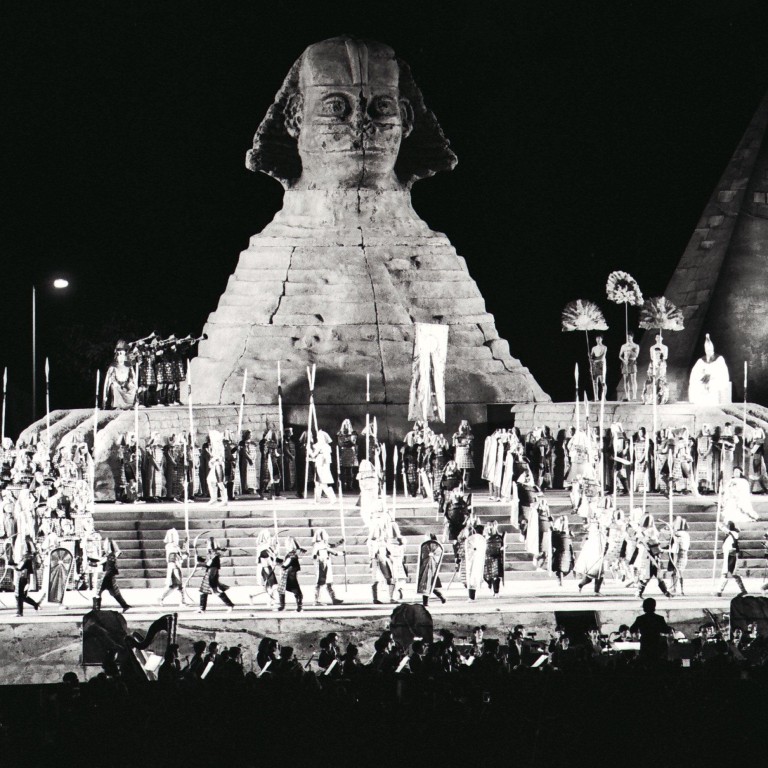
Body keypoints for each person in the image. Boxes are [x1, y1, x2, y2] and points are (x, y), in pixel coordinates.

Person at [635, 514, 672, 599]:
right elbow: (652, 543)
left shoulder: (645, 531)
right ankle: (638, 593)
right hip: (649, 556)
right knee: (646, 576)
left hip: (653, 556)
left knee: (658, 576)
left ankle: (666, 592)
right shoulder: (648, 531)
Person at [688, 333, 731, 405]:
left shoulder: (719, 359)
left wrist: (711, 376)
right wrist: (702, 377)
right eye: (707, 352)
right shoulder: (700, 361)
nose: (709, 353)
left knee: (714, 385)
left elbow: (723, 373)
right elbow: (694, 374)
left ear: (713, 350)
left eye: (710, 351)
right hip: (703, 382)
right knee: (696, 385)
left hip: (715, 381)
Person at [197, 538, 235, 612]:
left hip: (211, 575)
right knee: (203, 591)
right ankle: (202, 609)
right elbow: (207, 562)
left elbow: (209, 564)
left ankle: (230, 605)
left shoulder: (215, 555)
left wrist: (200, 563)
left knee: (216, 591)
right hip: (209, 574)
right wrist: (199, 559)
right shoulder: (211, 554)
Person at [630, 597, 671, 663]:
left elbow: (632, 629)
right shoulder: (659, 618)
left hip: (645, 644)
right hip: (656, 644)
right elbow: (665, 630)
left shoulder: (640, 619)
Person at [96, 538, 130, 612]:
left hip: (107, 576)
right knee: (113, 592)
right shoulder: (111, 555)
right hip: (109, 576)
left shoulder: (110, 555)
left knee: (98, 593)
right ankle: (124, 605)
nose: (103, 546)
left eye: (104, 545)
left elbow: (99, 563)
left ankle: (96, 610)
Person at [311, 529, 343, 605]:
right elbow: (332, 551)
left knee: (329, 582)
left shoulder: (322, 545)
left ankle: (333, 598)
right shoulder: (319, 546)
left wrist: (340, 542)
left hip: (325, 565)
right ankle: (317, 600)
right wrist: (341, 553)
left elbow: (332, 546)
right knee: (320, 583)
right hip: (322, 565)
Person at [103, 340, 138, 410]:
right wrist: (115, 382)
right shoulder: (113, 365)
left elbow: (132, 376)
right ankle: (117, 406)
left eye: (122, 352)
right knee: (114, 387)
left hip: (126, 383)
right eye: (119, 353)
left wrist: (131, 382)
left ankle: (129, 405)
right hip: (117, 384)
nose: (120, 354)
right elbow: (110, 377)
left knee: (133, 387)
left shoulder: (128, 365)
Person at [716, 521, 747, 597]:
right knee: (733, 574)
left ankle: (719, 591)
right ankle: (743, 590)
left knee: (725, 573)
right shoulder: (730, 535)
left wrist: (719, 524)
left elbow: (724, 529)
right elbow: (727, 546)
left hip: (731, 555)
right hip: (729, 554)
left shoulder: (733, 533)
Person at [159, 527, 188, 606]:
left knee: (174, 585)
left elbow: (180, 552)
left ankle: (161, 598)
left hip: (175, 566)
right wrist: (184, 556)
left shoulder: (174, 546)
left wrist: (185, 544)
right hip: (174, 566)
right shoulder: (171, 546)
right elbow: (173, 558)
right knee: (179, 584)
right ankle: (182, 601)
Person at [251, 529, 279, 608]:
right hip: (265, 568)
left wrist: (276, 549)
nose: (270, 538)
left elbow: (273, 555)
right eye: (268, 536)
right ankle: (272, 601)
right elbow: (268, 559)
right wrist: (274, 558)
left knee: (268, 587)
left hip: (267, 568)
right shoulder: (263, 548)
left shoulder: (266, 547)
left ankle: (269, 602)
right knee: (273, 586)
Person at [417, 533, 445, 606]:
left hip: (430, 567)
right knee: (429, 585)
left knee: (426, 584)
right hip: (427, 566)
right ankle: (441, 597)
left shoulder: (430, 546)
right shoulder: (429, 546)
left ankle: (426, 603)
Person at [277, 537, 305, 611]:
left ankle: (298, 607)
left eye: (286, 543)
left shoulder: (292, 554)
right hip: (289, 574)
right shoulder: (291, 554)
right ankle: (284, 606)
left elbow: (285, 564)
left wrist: (279, 563)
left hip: (290, 575)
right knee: (283, 590)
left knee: (295, 591)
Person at [308, 431, 336, 503]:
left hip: (322, 467)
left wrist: (309, 450)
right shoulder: (326, 446)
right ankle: (317, 500)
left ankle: (332, 498)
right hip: (321, 465)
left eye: (318, 436)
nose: (317, 437)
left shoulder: (322, 446)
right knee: (318, 484)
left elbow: (314, 455)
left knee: (323, 484)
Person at [14, 544, 40, 617]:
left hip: (22, 577)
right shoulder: (29, 559)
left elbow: (19, 568)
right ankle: (35, 604)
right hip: (25, 577)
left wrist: (10, 566)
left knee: (18, 595)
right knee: (23, 596)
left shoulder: (26, 559)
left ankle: (19, 612)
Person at [259, 425, 282, 500]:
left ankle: (275, 494)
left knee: (277, 477)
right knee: (266, 478)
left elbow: (276, 453)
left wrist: (279, 452)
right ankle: (261, 493)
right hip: (267, 461)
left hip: (273, 461)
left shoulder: (272, 443)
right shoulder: (264, 443)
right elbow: (265, 453)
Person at [551, 515, 575, 586]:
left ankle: (560, 579)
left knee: (562, 565)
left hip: (563, 549)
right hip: (563, 549)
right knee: (562, 565)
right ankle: (560, 579)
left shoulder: (559, 532)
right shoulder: (558, 532)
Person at [483, 520, 505, 597]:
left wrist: (502, 548)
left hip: (496, 558)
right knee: (487, 576)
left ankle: (496, 591)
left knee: (496, 576)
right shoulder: (483, 538)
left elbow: (502, 545)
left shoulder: (499, 537)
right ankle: (490, 585)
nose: (491, 529)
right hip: (486, 559)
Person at [337, 419, 359, 492]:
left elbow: (353, 443)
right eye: (345, 423)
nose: (346, 425)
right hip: (343, 453)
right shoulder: (340, 433)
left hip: (350, 452)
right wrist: (348, 442)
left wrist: (347, 442)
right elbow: (341, 443)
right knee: (342, 470)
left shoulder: (353, 433)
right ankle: (342, 486)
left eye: (348, 423)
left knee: (350, 471)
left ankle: (350, 486)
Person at [452, 420, 475, 485]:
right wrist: (465, 443)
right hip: (460, 452)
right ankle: (460, 483)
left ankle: (466, 483)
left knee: (467, 469)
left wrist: (472, 453)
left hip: (467, 452)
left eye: (466, 425)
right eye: (463, 425)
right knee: (459, 469)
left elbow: (472, 446)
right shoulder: (457, 434)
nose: (465, 427)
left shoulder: (469, 435)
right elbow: (456, 444)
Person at [619, 333, 640, 401]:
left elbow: (636, 355)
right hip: (625, 363)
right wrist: (624, 360)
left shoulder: (636, 346)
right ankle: (627, 396)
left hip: (632, 362)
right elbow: (620, 355)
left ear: (632, 337)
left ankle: (634, 396)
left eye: (630, 337)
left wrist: (630, 350)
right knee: (626, 380)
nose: (628, 338)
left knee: (633, 380)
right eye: (627, 337)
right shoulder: (623, 346)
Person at [238, 429, 258, 495]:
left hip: (251, 460)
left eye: (251, 435)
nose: (250, 436)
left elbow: (254, 451)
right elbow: (244, 452)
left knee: (251, 475)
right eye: (249, 434)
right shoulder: (242, 443)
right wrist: (249, 459)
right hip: (245, 461)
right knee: (245, 474)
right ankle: (245, 488)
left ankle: (251, 487)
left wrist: (253, 458)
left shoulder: (251, 443)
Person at [589, 335, 607, 401]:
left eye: (599, 338)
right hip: (594, 365)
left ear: (602, 339)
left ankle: (604, 397)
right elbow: (591, 358)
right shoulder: (593, 348)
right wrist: (590, 358)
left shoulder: (604, 347)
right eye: (597, 338)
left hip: (601, 364)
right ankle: (596, 397)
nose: (598, 340)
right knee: (594, 382)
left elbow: (602, 357)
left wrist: (593, 359)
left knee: (602, 381)